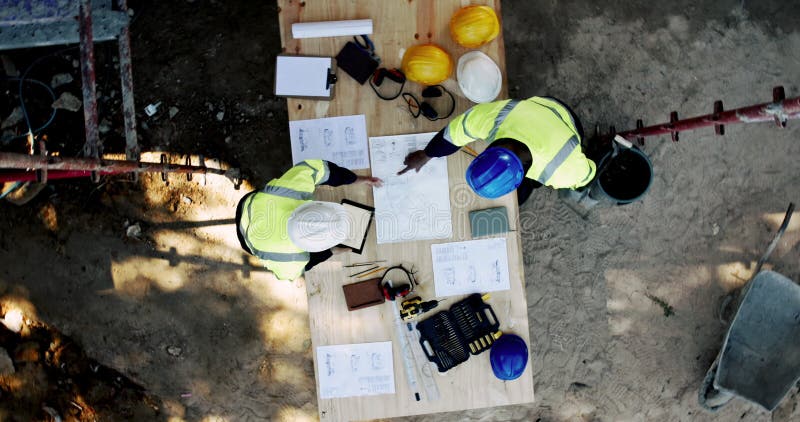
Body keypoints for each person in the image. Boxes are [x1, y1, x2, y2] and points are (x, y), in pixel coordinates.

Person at [398, 96, 596, 205]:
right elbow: (453, 134)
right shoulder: (492, 118)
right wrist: (427, 154)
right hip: (546, 108)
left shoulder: (564, 169)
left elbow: (588, 173)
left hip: (567, 120)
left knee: (520, 199)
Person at [236, 159, 382, 280]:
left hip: (250, 205)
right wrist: (330, 252)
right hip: (249, 239)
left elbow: (321, 169)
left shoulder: (290, 190)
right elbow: (300, 268)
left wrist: (356, 179)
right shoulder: (292, 261)